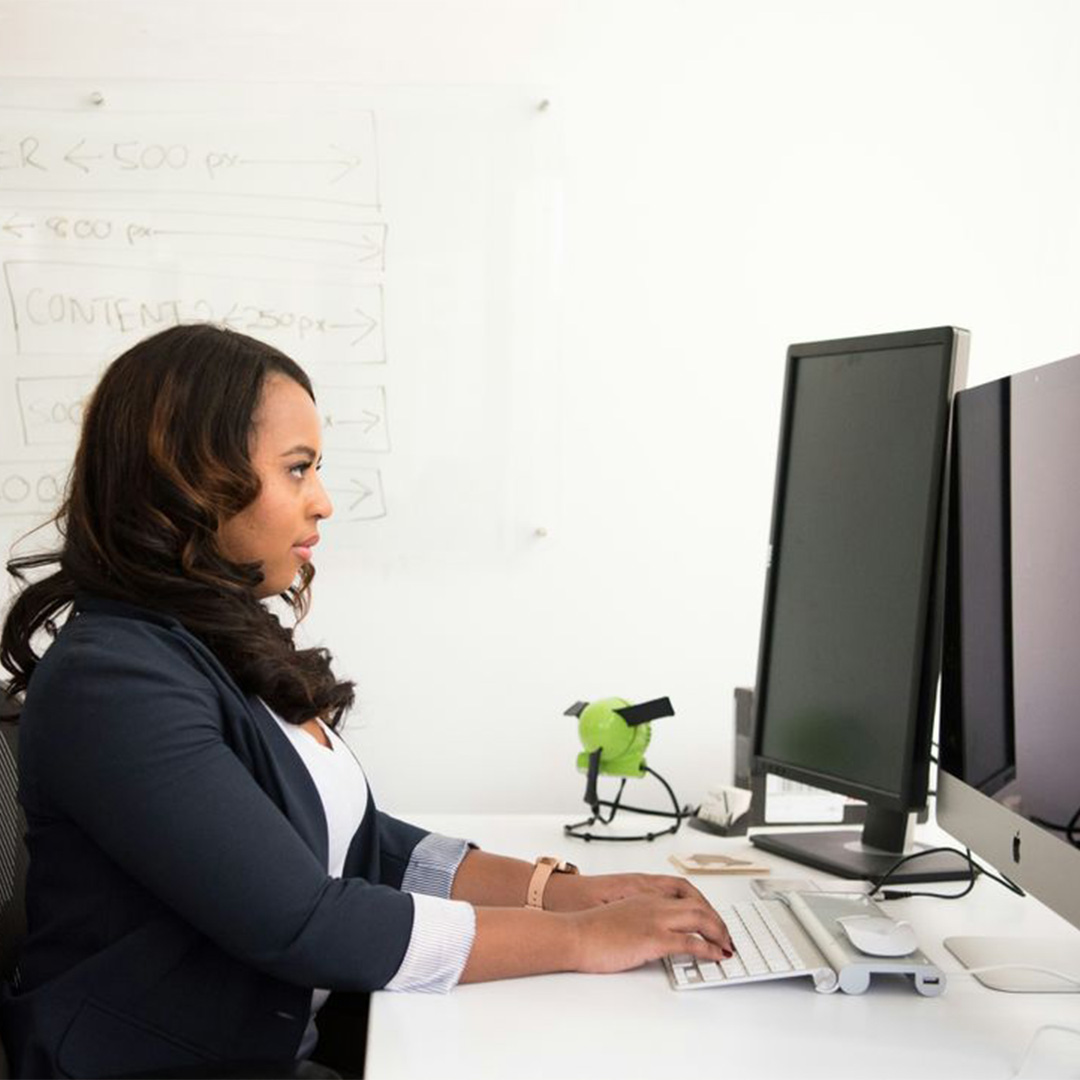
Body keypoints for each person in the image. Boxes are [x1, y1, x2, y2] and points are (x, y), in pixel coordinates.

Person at [0, 324, 731, 1079]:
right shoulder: (114, 683)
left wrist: (566, 896)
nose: (322, 502)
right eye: (297, 469)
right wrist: (586, 942)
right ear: (192, 478)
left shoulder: (209, 641)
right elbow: (305, 920)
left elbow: (368, 845)